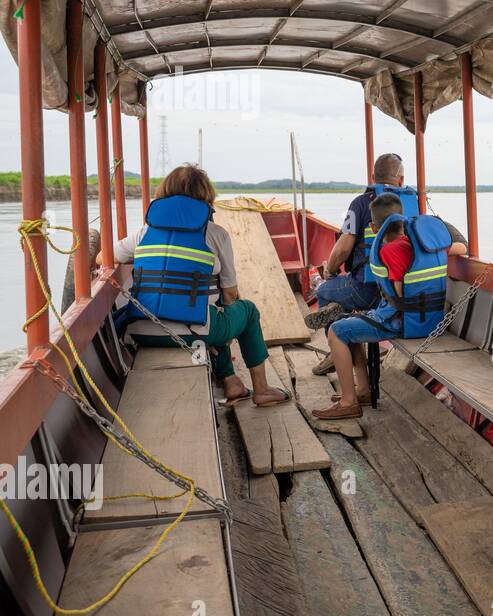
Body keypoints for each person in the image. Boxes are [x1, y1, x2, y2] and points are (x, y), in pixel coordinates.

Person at [112, 164, 289, 407]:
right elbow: (230, 294)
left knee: (212, 309)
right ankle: (262, 389)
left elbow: (104, 257)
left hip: (142, 332)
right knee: (245, 311)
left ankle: (231, 381)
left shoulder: (143, 233)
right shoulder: (216, 233)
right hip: (193, 334)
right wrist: (225, 333)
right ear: (206, 196)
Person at [312, 192, 467, 420]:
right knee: (348, 324)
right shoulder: (425, 247)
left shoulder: (389, 251)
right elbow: (461, 248)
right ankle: (363, 391)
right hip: (432, 321)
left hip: (402, 323)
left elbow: (398, 295)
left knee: (337, 331)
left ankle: (348, 403)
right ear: (402, 221)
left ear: (375, 229)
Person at [306, 152, 418, 329]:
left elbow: (343, 249)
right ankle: (345, 320)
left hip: (367, 290)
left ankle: (340, 346)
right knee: (341, 301)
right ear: (401, 179)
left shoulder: (361, 203)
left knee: (324, 292)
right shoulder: (414, 203)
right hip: (405, 289)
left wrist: (331, 271)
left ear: (373, 177)